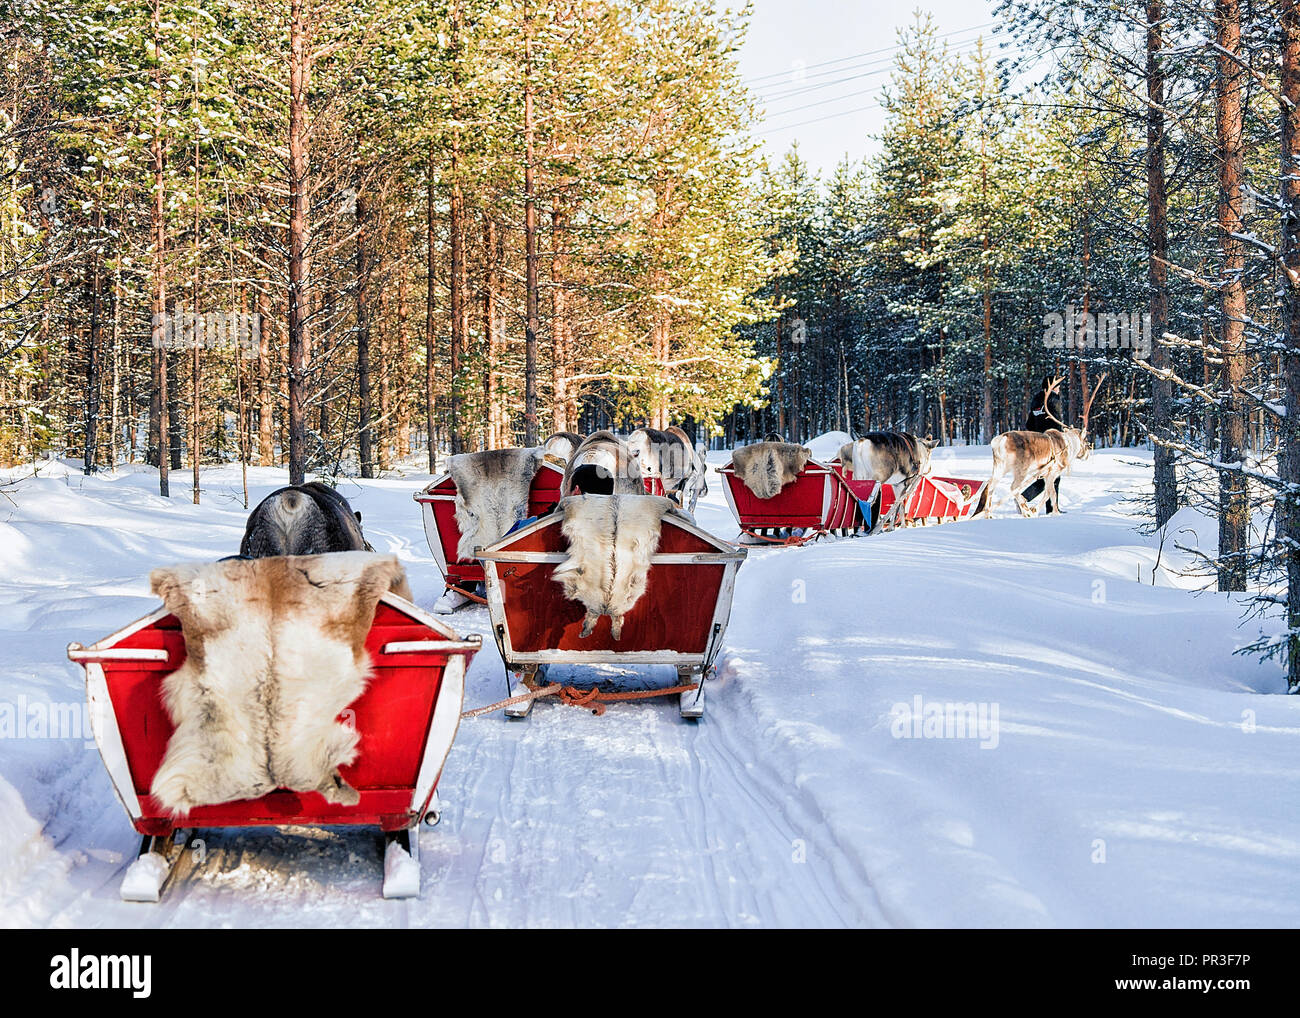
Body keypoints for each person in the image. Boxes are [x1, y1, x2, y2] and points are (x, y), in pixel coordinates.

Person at [1021, 374, 1063, 513]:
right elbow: (1056, 423)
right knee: (1053, 475)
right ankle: (1048, 507)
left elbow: (1029, 423)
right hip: (1050, 444)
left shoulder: (1036, 399)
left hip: (1037, 442)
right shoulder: (1053, 399)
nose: (1059, 389)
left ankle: (1027, 498)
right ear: (1052, 386)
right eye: (1057, 386)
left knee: (1046, 476)